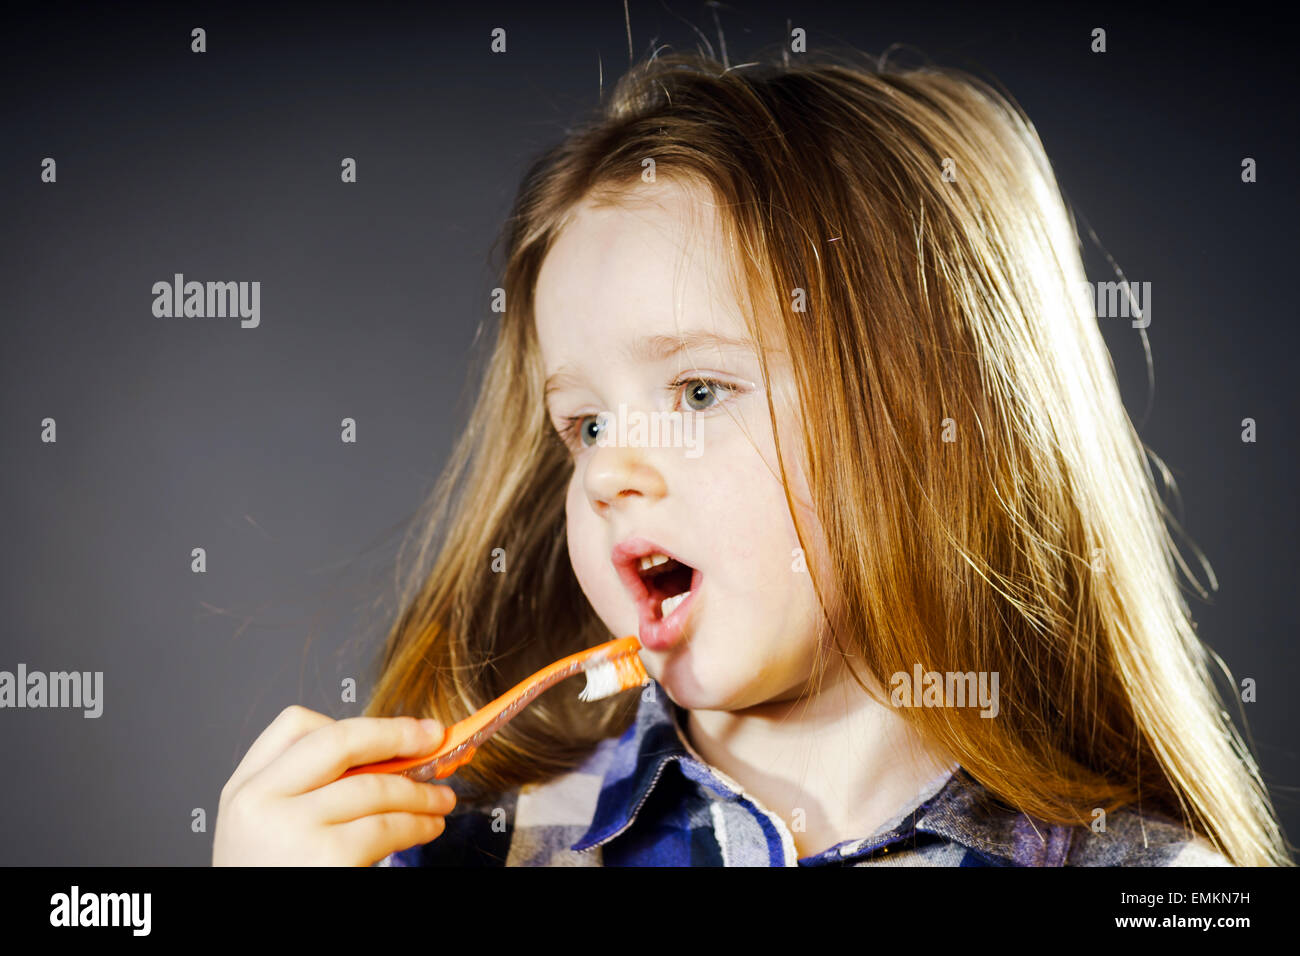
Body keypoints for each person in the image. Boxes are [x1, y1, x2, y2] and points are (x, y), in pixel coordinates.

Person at [213, 48, 1291, 867]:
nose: (606, 471)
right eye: (582, 423)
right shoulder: (476, 841)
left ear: (934, 422)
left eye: (696, 390)